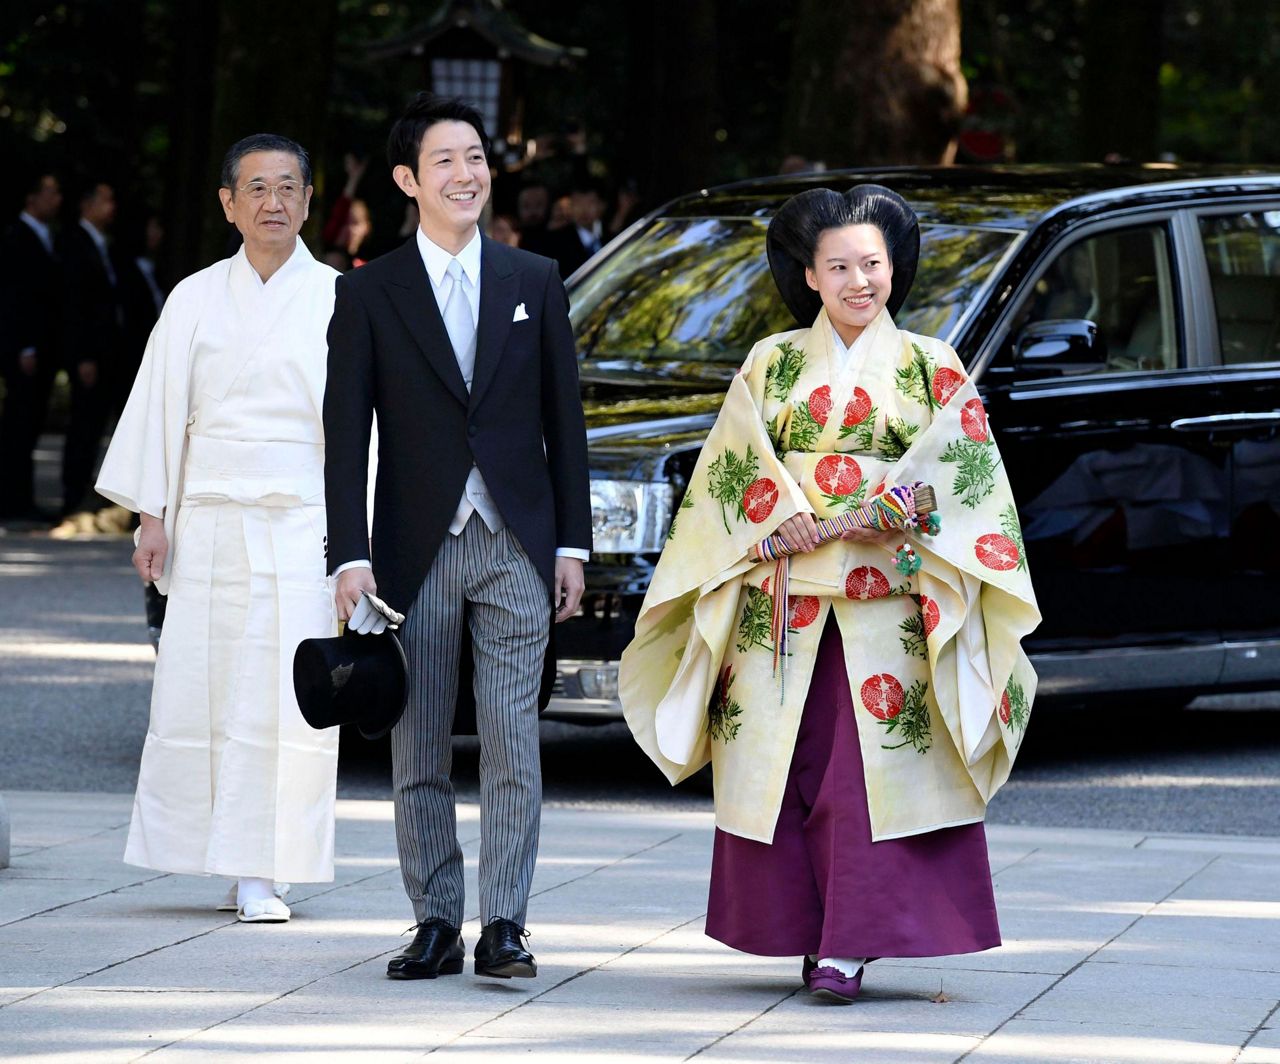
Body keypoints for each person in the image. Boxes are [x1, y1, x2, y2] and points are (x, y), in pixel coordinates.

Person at [620, 185, 1041, 1003]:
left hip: (889, 610)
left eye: (873, 264)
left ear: (895, 271)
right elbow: (730, 471)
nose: (859, 281)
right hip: (786, 603)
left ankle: (848, 944)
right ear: (808, 275)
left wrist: (908, 505)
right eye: (839, 266)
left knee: (863, 777)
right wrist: (776, 518)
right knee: (792, 767)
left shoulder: (932, 366)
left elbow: (969, 481)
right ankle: (805, 934)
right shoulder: (770, 363)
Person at [324, 93, 591, 981]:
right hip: (415, 548)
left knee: (515, 739)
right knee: (420, 740)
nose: (466, 174)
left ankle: (506, 921)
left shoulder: (536, 280)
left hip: (516, 540)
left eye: (476, 157)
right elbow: (345, 432)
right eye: (445, 161)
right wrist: (350, 556)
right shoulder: (367, 291)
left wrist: (573, 546)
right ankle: (435, 918)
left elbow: (566, 422)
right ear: (408, 179)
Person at [96, 134, 342, 924]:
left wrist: (357, 548)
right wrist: (151, 519)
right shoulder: (195, 297)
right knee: (204, 686)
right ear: (228, 204)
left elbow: (363, 433)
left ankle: (263, 868)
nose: (274, 202)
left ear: (310, 200)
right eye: (257, 188)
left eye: (288, 188)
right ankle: (210, 851)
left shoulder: (342, 297)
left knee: (284, 696)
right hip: (208, 517)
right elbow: (163, 410)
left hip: (304, 520)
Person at [60, 179, 125, 515]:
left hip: (106, 352)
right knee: (83, 423)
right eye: (105, 200)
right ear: (87, 205)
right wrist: (82, 354)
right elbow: (74, 303)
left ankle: (83, 489)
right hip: (89, 352)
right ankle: (72, 494)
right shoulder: (75, 242)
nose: (111, 207)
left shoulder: (102, 244)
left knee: (95, 423)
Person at [0, 172, 62, 521]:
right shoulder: (17, 237)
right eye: (50, 193)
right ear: (31, 198)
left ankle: (19, 497)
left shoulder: (43, 237)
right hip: (25, 348)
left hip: (41, 346)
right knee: (19, 425)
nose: (56, 200)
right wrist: (23, 345)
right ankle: (12, 500)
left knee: (29, 424)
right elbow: (14, 297)